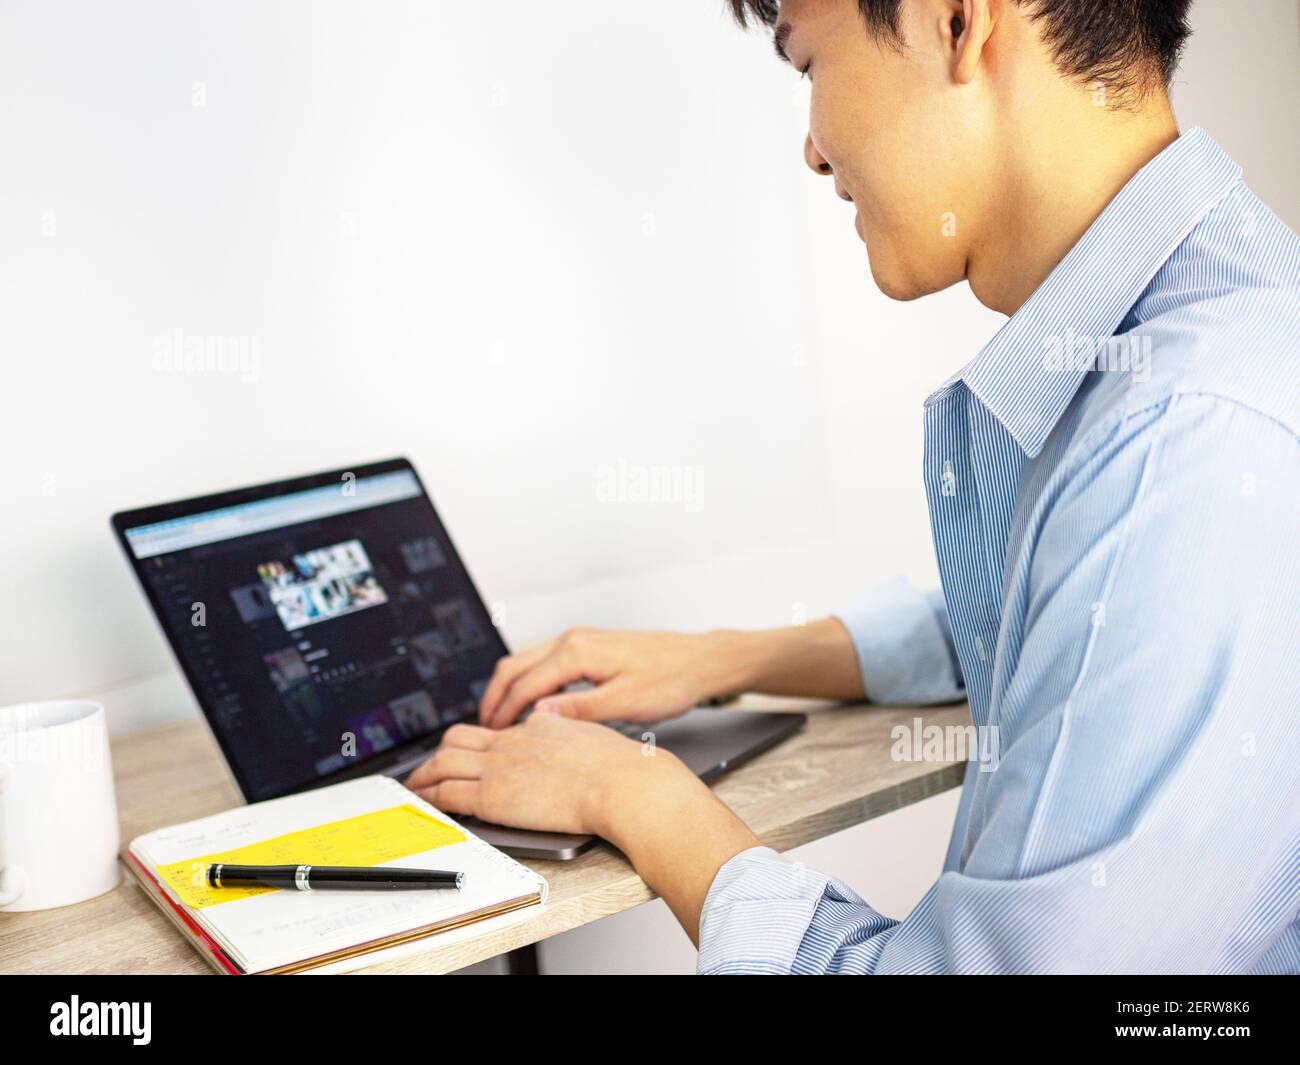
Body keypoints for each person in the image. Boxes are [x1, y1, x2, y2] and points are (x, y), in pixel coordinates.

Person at [407, 0, 1299, 973]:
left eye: (808, 66)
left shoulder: (1184, 439)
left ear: (955, 21)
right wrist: (720, 660)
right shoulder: (1211, 341)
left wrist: (639, 796)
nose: (814, 152)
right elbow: (1060, 624)